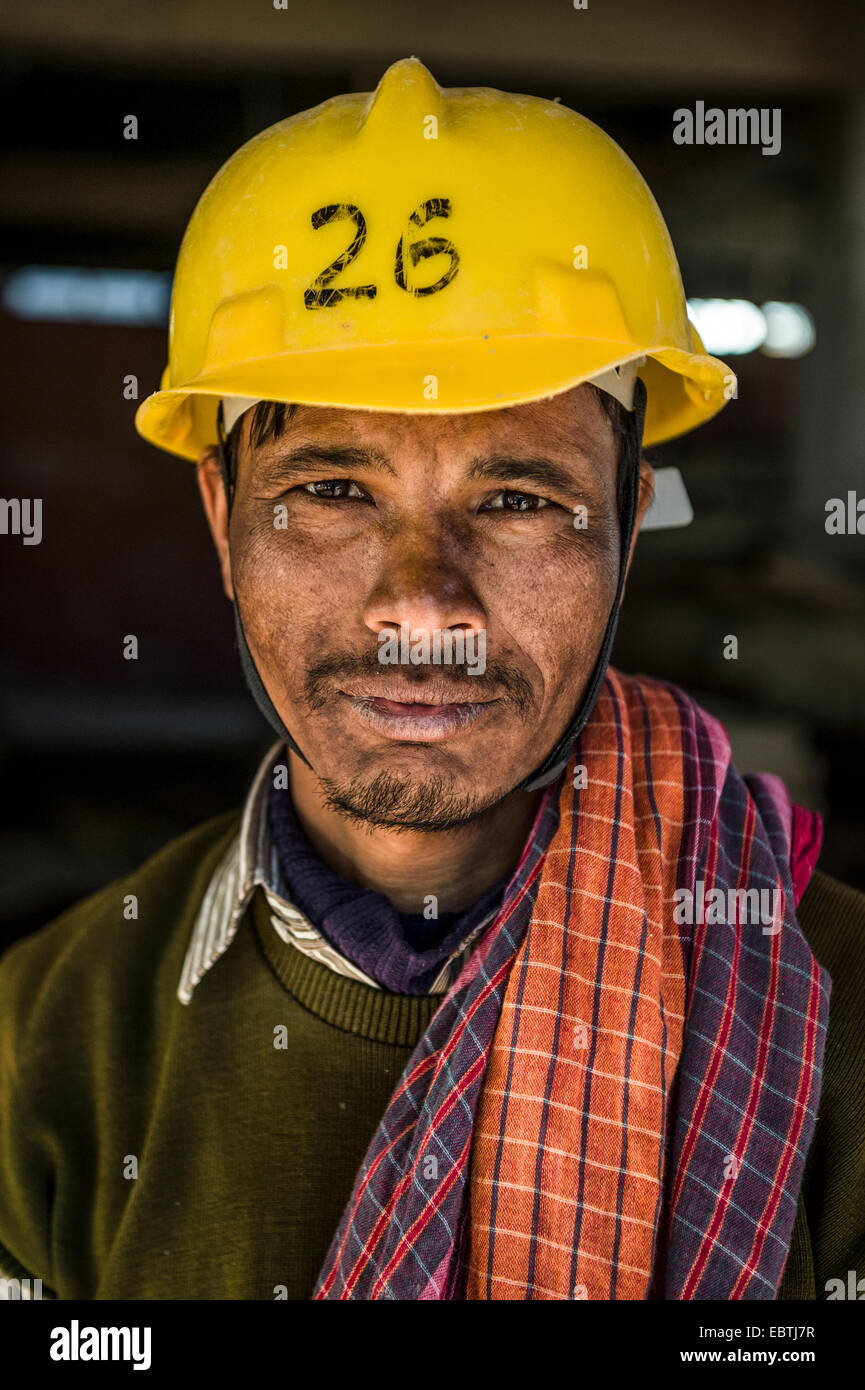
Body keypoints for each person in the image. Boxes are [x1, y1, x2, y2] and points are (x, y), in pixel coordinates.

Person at [1, 57, 863, 1303]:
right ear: (221, 516)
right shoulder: (48, 1046)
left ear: (627, 523)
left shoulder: (833, 1020)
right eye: (332, 491)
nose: (421, 599)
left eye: (517, 500)